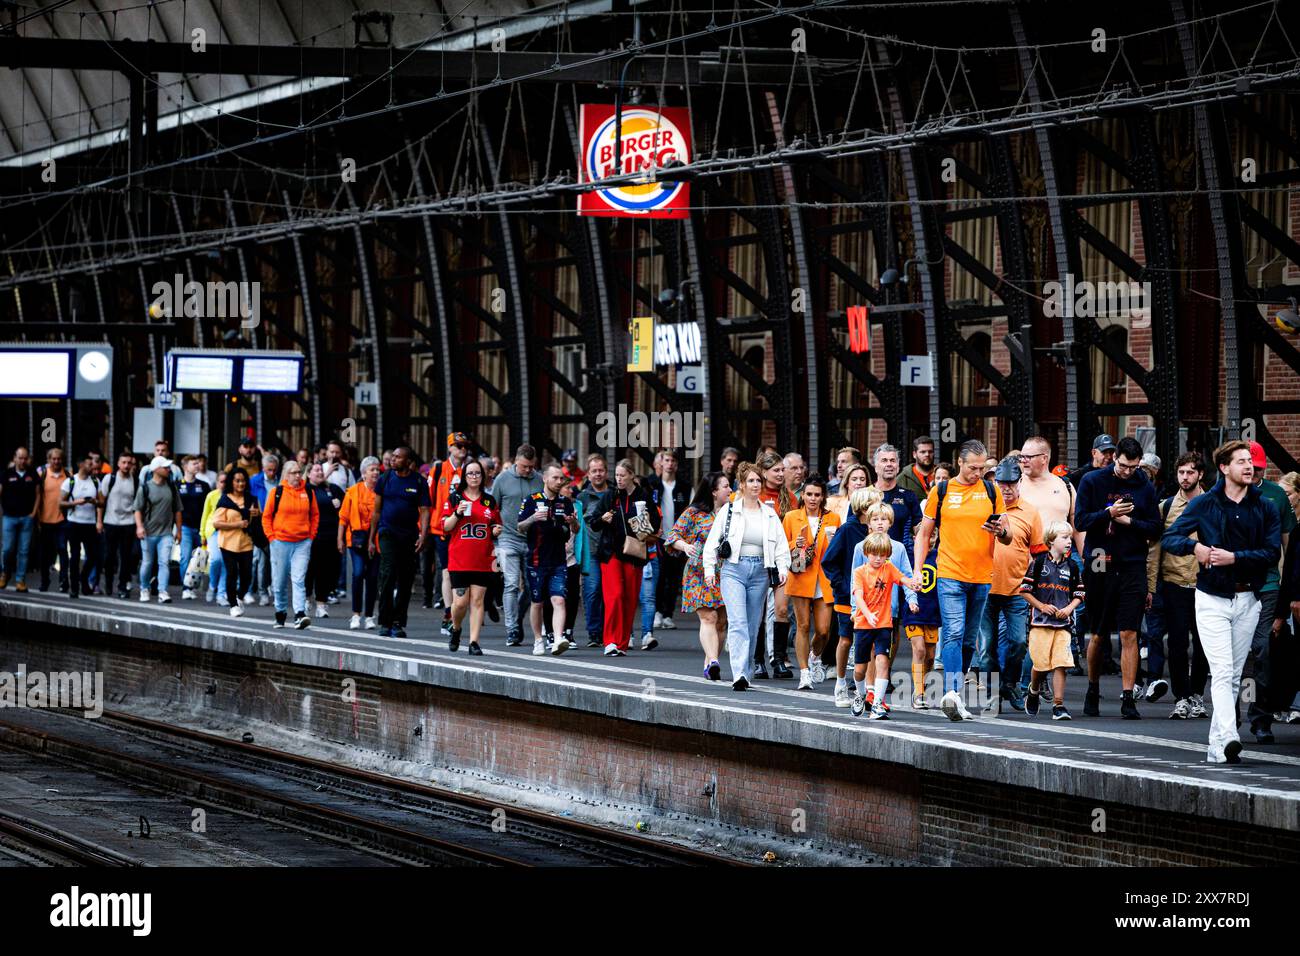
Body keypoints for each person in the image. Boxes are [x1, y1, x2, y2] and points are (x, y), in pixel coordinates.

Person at [1162, 440, 1281, 764]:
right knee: (1223, 668)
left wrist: (1234, 557)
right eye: (1240, 461)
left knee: (1232, 673)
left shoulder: (1264, 506)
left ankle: (1217, 747)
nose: (1248, 466)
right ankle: (1230, 735)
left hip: (1248, 598)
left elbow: (1272, 552)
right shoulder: (1205, 504)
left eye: (1251, 462)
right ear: (1225, 467)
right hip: (1212, 598)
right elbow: (1170, 538)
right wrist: (1195, 549)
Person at [913, 439, 1006, 722]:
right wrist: (918, 570)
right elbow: (924, 534)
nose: (978, 473)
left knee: (968, 639)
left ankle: (956, 696)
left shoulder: (992, 490)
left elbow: (1008, 534)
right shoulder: (941, 490)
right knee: (952, 632)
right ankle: (952, 693)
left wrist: (1000, 530)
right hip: (950, 573)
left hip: (982, 576)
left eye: (982, 468)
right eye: (973, 468)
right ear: (960, 464)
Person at [1076, 435, 1161, 719]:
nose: (1128, 472)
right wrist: (1108, 513)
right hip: (1100, 562)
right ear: (1115, 458)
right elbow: (1080, 521)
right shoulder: (1093, 481)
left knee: (1129, 632)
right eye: (1124, 465)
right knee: (1099, 634)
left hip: (1132, 564)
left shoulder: (1144, 486)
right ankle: (1092, 687)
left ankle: (1128, 696)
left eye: (1133, 467)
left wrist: (1130, 522)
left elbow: (1154, 528)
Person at [703, 462, 790, 691]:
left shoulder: (769, 514)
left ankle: (747, 669)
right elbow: (712, 542)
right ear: (741, 484)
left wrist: (782, 568)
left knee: (753, 625)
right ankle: (739, 673)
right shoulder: (729, 510)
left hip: (761, 571)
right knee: (738, 622)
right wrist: (710, 570)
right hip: (734, 569)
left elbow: (781, 545)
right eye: (750, 481)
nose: (755, 485)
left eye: (758, 481)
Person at [975, 456, 1043, 712]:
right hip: (985, 587)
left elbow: (1038, 552)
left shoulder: (1030, 512)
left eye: (1011, 483)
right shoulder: (984, 508)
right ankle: (992, 693)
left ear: (1019, 482)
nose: (1006, 488)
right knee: (987, 647)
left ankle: (1010, 684)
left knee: (1018, 642)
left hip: (1017, 588)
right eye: (1001, 483)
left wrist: (1039, 585)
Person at [1147, 453, 1211, 719]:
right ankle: (1181, 697)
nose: (1185, 477)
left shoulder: (1212, 503)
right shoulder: (1167, 506)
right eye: (1181, 472)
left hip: (1205, 583)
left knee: (1203, 644)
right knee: (1176, 643)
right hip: (1174, 582)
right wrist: (1151, 586)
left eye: (1190, 473)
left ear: (1200, 475)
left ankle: (1196, 695)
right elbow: (1155, 549)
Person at [1243, 442, 1297, 742]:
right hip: (1234, 587)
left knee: (1263, 648)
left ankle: (1261, 717)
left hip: (1267, 584)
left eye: (1259, 468)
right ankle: (1227, 719)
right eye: (1249, 466)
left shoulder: (1276, 495)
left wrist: (1289, 590)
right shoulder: (1225, 494)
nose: (1253, 472)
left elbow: (1290, 544)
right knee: (1236, 656)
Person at [588, 459, 660, 656]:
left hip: (634, 553)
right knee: (615, 595)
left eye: (622, 475)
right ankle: (610, 641)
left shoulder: (643, 496)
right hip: (611, 551)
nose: (618, 479)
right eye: (617, 475)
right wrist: (603, 519)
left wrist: (643, 521)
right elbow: (593, 522)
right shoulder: (611, 496)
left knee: (629, 599)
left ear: (631, 476)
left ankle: (621, 642)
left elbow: (655, 523)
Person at [666, 473, 732, 681]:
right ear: (713, 491)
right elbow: (673, 536)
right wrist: (685, 546)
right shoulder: (694, 513)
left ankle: (709, 662)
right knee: (708, 617)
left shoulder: (733, 513)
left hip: (725, 571)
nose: (730, 490)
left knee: (722, 622)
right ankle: (714, 661)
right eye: (726, 486)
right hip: (698, 571)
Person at [850, 503, 913, 711]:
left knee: (883, 654)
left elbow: (906, 576)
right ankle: (867, 690)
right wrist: (854, 610)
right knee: (867, 655)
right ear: (869, 522)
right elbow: (855, 581)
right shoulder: (861, 547)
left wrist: (912, 597)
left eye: (883, 519)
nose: (879, 523)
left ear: (890, 522)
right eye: (875, 519)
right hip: (864, 614)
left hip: (889, 610)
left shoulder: (898, 548)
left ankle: (878, 696)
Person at [822, 488, 882, 706]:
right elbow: (829, 561)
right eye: (875, 507)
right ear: (864, 508)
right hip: (848, 596)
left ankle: (869, 690)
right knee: (846, 640)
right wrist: (842, 586)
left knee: (872, 645)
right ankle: (840, 684)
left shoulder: (878, 532)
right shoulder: (847, 529)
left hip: (874, 597)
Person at [1020, 521, 1086, 720]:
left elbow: (1080, 593)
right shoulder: (1039, 563)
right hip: (1040, 623)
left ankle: (1059, 705)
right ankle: (1033, 690)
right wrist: (1041, 606)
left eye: (1069, 538)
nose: (1069, 542)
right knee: (1040, 664)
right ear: (1050, 541)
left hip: (1063, 625)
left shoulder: (1073, 566)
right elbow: (1024, 590)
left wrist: (1068, 609)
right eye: (1064, 538)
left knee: (1061, 663)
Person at [783, 475, 841, 690]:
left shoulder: (833, 519)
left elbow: (837, 548)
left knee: (824, 630)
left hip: (824, 577)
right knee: (803, 625)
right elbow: (781, 546)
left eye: (817, 494)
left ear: (823, 496)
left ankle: (815, 655)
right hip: (801, 575)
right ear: (803, 495)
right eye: (809, 494)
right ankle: (804, 672)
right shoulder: (791, 517)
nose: (813, 498)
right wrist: (793, 543)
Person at [442, 458, 501, 655]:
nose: (474, 477)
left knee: (477, 601)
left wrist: (496, 530)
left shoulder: (489, 500)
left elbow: (494, 523)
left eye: (478, 473)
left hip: (482, 558)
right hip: (459, 558)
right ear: (464, 477)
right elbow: (445, 527)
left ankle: (474, 642)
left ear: (482, 476)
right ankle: (456, 629)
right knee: (459, 603)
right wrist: (457, 514)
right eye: (470, 473)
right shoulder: (454, 498)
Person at [517, 464, 577, 656]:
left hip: (559, 559)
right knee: (537, 602)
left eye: (562, 479)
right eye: (556, 478)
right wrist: (533, 518)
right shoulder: (531, 500)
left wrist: (573, 522)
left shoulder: (565, 502)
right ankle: (537, 639)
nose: (559, 482)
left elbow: (575, 529)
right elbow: (520, 527)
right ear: (545, 478)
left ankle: (558, 639)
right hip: (536, 560)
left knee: (559, 599)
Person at [370, 446, 429, 639]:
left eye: (397, 457)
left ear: (408, 461)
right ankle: (385, 621)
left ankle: (398, 622)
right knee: (387, 574)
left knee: (405, 578)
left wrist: (423, 534)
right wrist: (372, 538)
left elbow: (425, 510)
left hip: (409, 534)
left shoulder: (419, 482)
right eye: (392, 456)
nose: (392, 460)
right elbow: (376, 511)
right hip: (387, 532)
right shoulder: (385, 479)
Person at [493, 444, 543, 646]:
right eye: (524, 466)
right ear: (516, 462)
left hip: (532, 540)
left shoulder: (539, 480)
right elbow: (493, 508)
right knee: (512, 584)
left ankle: (518, 617)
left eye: (531, 466)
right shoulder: (502, 479)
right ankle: (512, 629)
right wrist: (493, 537)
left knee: (533, 587)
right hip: (508, 538)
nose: (528, 470)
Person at [753, 450, 795, 677]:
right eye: (776, 470)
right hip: (759, 559)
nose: (781, 474)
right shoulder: (754, 494)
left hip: (782, 558)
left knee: (781, 609)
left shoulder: (790, 497)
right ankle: (757, 659)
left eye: (782, 470)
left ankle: (778, 659)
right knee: (759, 611)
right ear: (763, 472)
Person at [262, 460, 318, 630]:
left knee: (299, 579)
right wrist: (271, 537)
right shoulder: (276, 492)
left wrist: (310, 536)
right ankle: (280, 613)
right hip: (280, 542)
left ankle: (299, 614)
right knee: (279, 582)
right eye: (293, 472)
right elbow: (266, 517)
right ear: (286, 475)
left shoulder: (308, 491)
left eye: (299, 472)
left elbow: (315, 515)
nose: (297, 475)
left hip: (302, 542)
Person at [428, 432, 472, 629]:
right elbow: (428, 500)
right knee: (446, 571)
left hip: (465, 529)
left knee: (466, 572)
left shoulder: (470, 471)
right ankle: (448, 611)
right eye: (458, 446)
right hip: (443, 528)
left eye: (464, 446)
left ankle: (464, 607)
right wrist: (424, 529)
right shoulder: (438, 470)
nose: (462, 449)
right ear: (450, 448)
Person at [644, 448, 690, 632]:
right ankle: (656, 612)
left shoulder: (684, 487)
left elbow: (689, 512)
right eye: (667, 460)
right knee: (659, 576)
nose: (670, 464)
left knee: (673, 577)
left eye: (673, 461)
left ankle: (668, 614)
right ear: (660, 463)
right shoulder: (652, 484)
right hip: (658, 537)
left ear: (677, 465)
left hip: (676, 538)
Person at [132, 456, 182, 603]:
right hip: (148, 533)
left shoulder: (172, 488)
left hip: (166, 533)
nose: (168, 469)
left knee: (164, 562)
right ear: (156, 469)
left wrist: (178, 531)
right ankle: (144, 588)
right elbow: (137, 509)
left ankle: (163, 591)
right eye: (165, 467)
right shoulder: (145, 488)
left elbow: (178, 510)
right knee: (147, 562)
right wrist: (139, 527)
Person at [339, 456, 381, 630]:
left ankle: (370, 615)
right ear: (364, 473)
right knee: (357, 573)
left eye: (378, 469)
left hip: (376, 541)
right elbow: (343, 516)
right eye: (372, 470)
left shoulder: (381, 493)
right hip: (356, 540)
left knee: (372, 578)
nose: (376, 472)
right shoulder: (353, 491)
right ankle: (356, 614)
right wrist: (339, 539)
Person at [211, 469, 257, 617]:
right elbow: (216, 523)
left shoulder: (251, 498)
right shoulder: (225, 500)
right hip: (228, 543)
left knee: (247, 576)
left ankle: (240, 596)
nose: (240, 483)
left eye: (243, 480)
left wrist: (257, 515)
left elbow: (257, 520)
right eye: (237, 480)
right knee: (231, 573)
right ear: (231, 482)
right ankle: (233, 604)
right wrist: (237, 524)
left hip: (246, 543)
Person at [575, 454, 609, 648]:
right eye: (594, 471)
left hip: (611, 550)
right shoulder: (582, 498)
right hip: (591, 553)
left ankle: (608, 630)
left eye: (601, 470)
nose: (598, 474)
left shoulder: (613, 494)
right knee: (592, 590)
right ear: (588, 474)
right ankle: (594, 632)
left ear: (606, 472)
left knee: (609, 593)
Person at [905, 528, 941, 708]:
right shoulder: (909, 556)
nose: (929, 539)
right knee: (919, 650)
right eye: (926, 535)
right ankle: (918, 692)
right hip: (913, 611)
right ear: (915, 538)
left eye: (933, 535)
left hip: (933, 612)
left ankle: (923, 685)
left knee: (930, 655)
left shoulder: (939, 557)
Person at [60, 455, 103, 599]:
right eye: (90, 464)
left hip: (89, 523)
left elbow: (102, 502)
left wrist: (94, 501)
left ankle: (83, 578)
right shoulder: (70, 481)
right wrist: (76, 502)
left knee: (93, 556)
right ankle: (74, 587)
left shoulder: (96, 481)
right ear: (81, 465)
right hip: (74, 523)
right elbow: (61, 503)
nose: (93, 466)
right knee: (75, 555)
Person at [305, 463, 344, 618]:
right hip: (312, 537)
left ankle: (321, 603)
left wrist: (339, 505)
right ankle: (307, 598)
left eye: (321, 470)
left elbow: (347, 506)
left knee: (326, 571)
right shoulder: (306, 490)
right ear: (308, 474)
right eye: (316, 470)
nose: (320, 472)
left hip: (331, 536)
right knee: (309, 569)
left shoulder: (332, 489)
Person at [98, 452, 139, 599]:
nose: (126, 465)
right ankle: (108, 582)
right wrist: (99, 521)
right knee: (109, 556)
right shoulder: (109, 479)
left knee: (126, 556)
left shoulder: (135, 480)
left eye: (129, 463)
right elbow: (101, 502)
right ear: (118, 463)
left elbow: (137, 504)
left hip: (128, 523)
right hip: (111, 522)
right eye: (124, 462)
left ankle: (122, 586)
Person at [1, 446, 39, 592]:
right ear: (14, 458)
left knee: (23, 551)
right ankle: (5, 573)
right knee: (7, 549)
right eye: (20, 457)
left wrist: (34, 513)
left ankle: (20, 580)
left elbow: (38, 495)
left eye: (25, 458)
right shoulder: (6, 474)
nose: (22, 460)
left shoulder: (32, 474)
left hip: (26, 518)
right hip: (9, 517)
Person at [873, 443, 923, 552]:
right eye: (884, 460)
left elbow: (920, 529)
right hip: (870, 558)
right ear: (876, 466)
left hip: (900, 559)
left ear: (898, 466)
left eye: (892, 460)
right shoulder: (864, 496)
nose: (889, 464)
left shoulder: (909, 496)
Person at [247, 453, 280, 606]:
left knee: (272, 560)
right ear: (263, 468)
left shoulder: (280, 482)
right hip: (259, 525)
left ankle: (270, 589)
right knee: (259, 560)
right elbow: (248, 500)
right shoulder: (255, 481)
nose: (271, 473)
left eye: (274, 470)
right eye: (269, 470)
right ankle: (259, 591)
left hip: (277, 525)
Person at [176, 456, 211, 600]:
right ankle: (186, 587)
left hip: (200, 527)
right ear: (185, 467)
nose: (198, 465)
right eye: (194, 463)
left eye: (198, 463)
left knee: (200, 558)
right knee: (185, 557)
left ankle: (193, 585)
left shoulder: (204, 485)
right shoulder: (177, 485)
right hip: (184, 526)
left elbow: (208, 508)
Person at [36, 447, 70, 593]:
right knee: (45, 554)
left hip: (62, 520)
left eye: (59, 459)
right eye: (53, 459)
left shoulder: (68, 475)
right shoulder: (42, 474)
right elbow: (36, 496)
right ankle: (45, 581)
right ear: (49, 460)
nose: (56, 461)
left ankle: (64, 581)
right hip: (45, 519)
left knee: (63, 550)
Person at [200, 471, 229, 605]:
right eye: (221, 481)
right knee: (216, 559)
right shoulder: (211, 495)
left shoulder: (232, 496)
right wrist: (202, 534)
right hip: (213, 530)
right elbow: (205, 515)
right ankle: (212, 585)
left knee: (225, 563)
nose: (223, 484)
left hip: (228, 532)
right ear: (217, 483)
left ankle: (221, 594)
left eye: (226, 481)